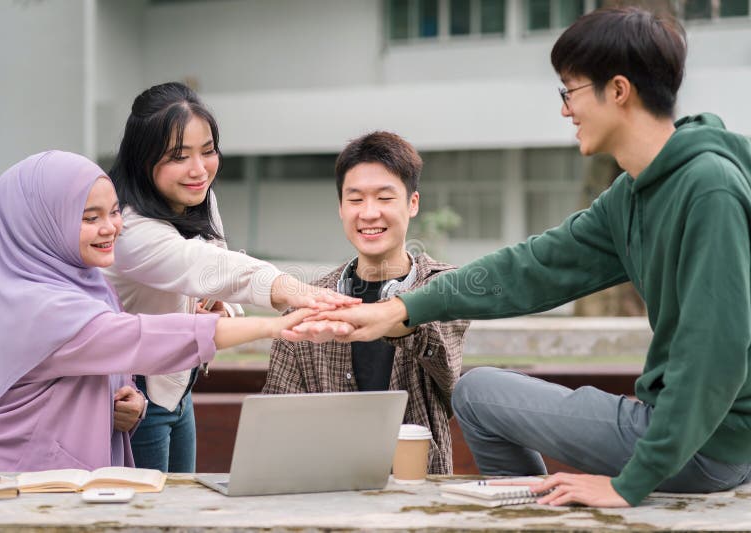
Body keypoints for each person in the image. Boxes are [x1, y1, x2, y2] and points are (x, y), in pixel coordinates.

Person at [287, 7, 751, 507]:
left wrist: (629, 483)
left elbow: (715, 354)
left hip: (709, 446)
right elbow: (530, 268)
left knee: (478, 394)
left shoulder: (708, 189)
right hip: (686, 432)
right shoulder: (634, 195)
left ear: (618, 91)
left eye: (569, 91)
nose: (564, 110)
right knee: (479, 394)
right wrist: (401, 309)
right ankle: (533, 510)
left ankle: (530, 514)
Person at [0, 151, 314, 473]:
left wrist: (132, 401)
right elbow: (137, 338)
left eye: (112, 212)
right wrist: (275, 326)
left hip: (64, 485)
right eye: (90, 218)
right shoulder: (40, 308)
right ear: (41, 227)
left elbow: (106, 367)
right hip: (20, 490)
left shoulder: (89, 285)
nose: (110, 228)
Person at [103, 82, 356, 473]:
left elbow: (218, 270)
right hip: (134, 399)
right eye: (178, 156)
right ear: (142, 158)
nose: (199, 169)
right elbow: (212, 268)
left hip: (178, 389)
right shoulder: (129, 230)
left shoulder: (196, 197)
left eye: (208, 151)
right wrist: (295, 290)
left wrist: (225, 312)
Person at [262, 132, 469, 474]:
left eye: (385, 198)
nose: (369, 214)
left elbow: (440, 353)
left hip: (418, 487)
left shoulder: (444, 288)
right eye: (355, 200)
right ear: (340, 208)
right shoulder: (308, 304)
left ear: (412, 203)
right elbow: (276, 415)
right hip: (327, 487)